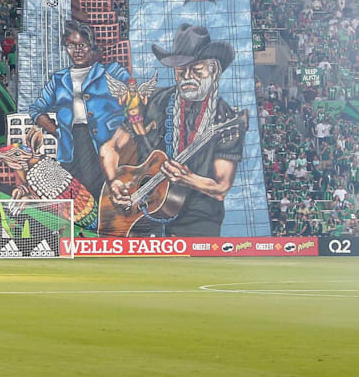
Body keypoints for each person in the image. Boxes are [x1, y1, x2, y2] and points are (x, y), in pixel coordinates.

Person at [100, 24, 246, 237]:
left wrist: (187, 179)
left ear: (213, 71)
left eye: (196, 70)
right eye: (180, 70)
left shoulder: (226, 119)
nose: (187, 77)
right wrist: (114, 181)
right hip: (140, 212)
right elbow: (110, 147)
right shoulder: (155, 102)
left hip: (199, 218)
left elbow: (221, 187)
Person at [25, 20, 130, 194]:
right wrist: (57, 131)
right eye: (71, 46)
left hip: (105, 143)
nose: (77, 51)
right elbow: (37, 109)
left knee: (99, 190)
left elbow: (134, 95)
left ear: (91, 47)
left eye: (82, 45)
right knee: (75, 192)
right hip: (71, 144)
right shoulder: (59, 79)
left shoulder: (111, 72)